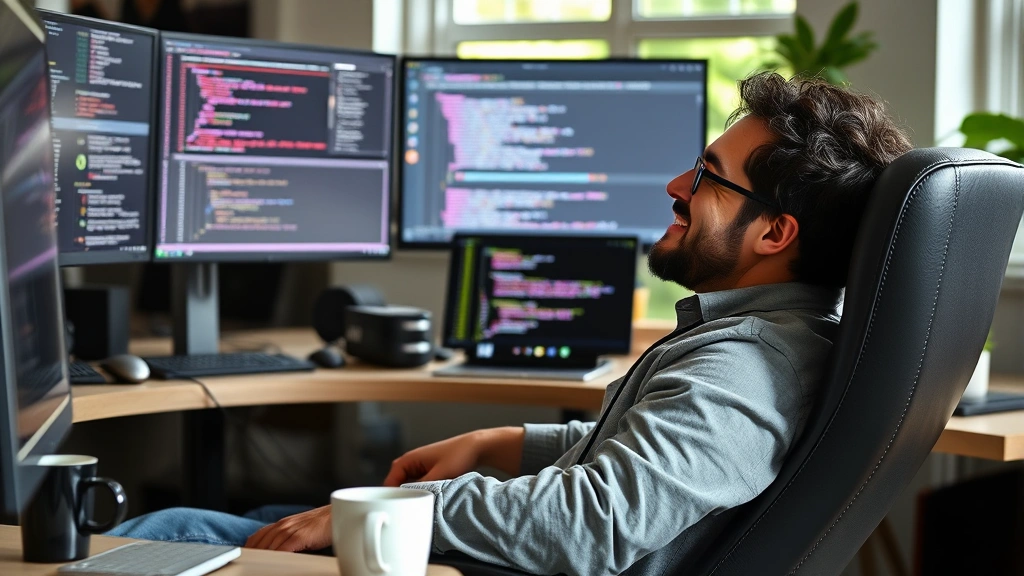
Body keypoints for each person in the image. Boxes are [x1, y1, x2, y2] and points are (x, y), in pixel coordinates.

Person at [108, 72, 913, 575]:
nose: (675, 182)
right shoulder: (763, 342)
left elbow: (598, 523)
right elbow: (653, 465)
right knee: (241, 520)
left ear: (776, 233)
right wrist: (508, 445)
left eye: (707, 177)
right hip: (490, 552)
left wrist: (417, 510)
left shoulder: (742, 367)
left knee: (167, 532)